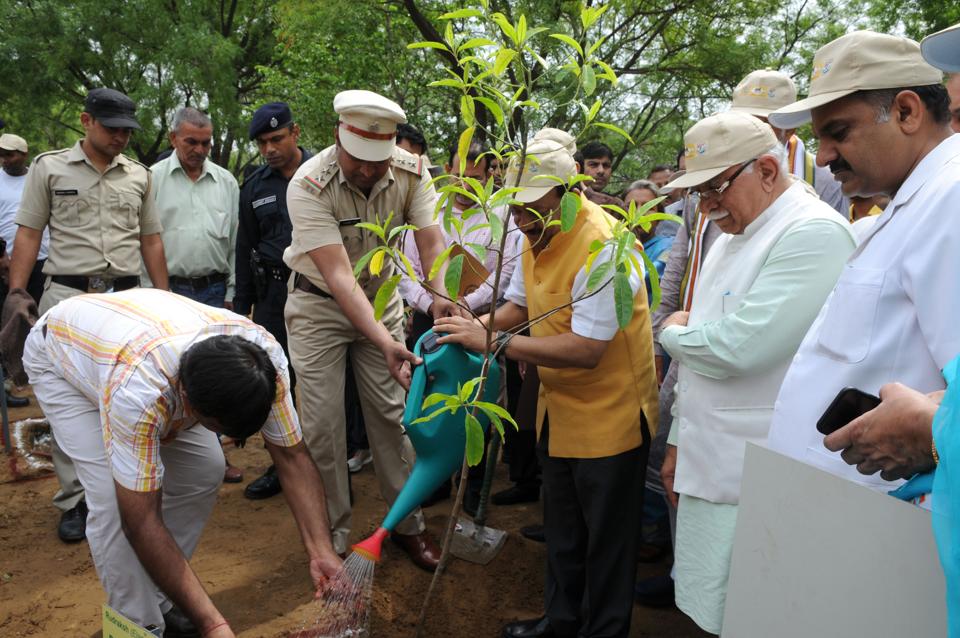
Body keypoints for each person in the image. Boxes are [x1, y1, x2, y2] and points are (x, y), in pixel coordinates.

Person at [436, 137, 660, 638]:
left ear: (568, 192)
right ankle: (560, 622)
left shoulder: (604, 246)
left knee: (606, 540)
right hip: (558, 407)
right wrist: (467, 326)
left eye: (532, 208)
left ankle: (602, 631)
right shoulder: (531, 232)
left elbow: (588, 348)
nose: (521, 220)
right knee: (562, 526)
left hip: (610, 414)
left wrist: (492, 342)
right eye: (514, 209)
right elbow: (517, 306)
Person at [22, 289, 341, 637]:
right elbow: (140, 520)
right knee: (114, 502)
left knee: (203, 471)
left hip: (134, 341)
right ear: (189, 401)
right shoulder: (139, 393)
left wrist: (321, 550)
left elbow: (291, 456)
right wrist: (213, 624)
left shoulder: (264, 363)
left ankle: (162, 598)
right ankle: (136, 625)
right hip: (64, 360)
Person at [656, 111, 856, 634]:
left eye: (715, 188)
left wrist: (670, 333)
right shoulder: (733, 233)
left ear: (766, 170)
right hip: (710, 452)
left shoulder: (812, 232)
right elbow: (709, 341)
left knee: (754, 605)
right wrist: (678, 441)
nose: (707, 206)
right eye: (698, 193)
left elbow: (738, 347)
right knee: (710, 601)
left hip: (756, 466)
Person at [762, 31, 958, 492]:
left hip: (890, 511)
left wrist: (932, 437)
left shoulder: (951, 199)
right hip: (840, 503)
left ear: (907, 112)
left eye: (839, 132)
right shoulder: (911, 204)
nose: (823, 157)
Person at [283, 89, 461, 570]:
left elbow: (431, 241)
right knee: (323, 426)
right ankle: (333, 539)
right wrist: (386, 342)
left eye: (376, 162)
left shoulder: (413, 171)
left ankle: (408, 525)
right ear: (337, 138)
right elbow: (339, 277)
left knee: (393, 418)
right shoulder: (308, 184)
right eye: (356, 159)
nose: (365, 170)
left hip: (381, 301)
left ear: (392, 149)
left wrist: (442, 297)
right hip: (318, 306)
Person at [6, 87, 169, 544]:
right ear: (86, 121)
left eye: (127, 131)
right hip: (68, 298)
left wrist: (164, 299)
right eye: (112, 128)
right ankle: (75, 499)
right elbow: (29, 232)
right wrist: (17, 292)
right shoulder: (49, 168)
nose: (121, 138)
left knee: (130, 396)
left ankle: (130, 489)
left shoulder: (139, 175)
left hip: (127, 299)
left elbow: (151, 239)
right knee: (68, 402)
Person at [234, 102, 311, 500]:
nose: (269, 149)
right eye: (262, 142)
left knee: (319, 382)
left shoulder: (322, 173)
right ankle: (281, 465)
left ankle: (328, 463)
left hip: (318, 292)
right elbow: (245, 245)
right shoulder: (254, 186)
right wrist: (241, 306)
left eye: (276, 139)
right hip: (272, 296)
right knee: (277, 381)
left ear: (295, 133)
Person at [151, 107, 238, 310]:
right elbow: (144, 243)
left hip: (216, 292)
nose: (199, 150)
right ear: (173, 138)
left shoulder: (227, 182)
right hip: (168, 291)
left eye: (205, 143)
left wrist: (232, 291)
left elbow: (235, 241)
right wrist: (154, 291)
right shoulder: (152, 179)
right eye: (191, 142)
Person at [729, 68, 847, 214]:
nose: (749, 132)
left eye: (763, 124)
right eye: (741, 122)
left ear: (789, 129)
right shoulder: (714, 172)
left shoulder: (824, 180)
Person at [0, 133, 47, 306]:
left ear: (24, 154)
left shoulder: (39, 180)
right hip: (5, 260)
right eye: (1, 155)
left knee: (36, 310)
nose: (4, 160)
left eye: (9, 155)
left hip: (41, 260)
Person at [623, 179, 672, 300]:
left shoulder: (669, 246)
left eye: (648, 207)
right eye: (631, 206)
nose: (639, 212)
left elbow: (650, 277)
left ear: (659, 216)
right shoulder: (613, 246)